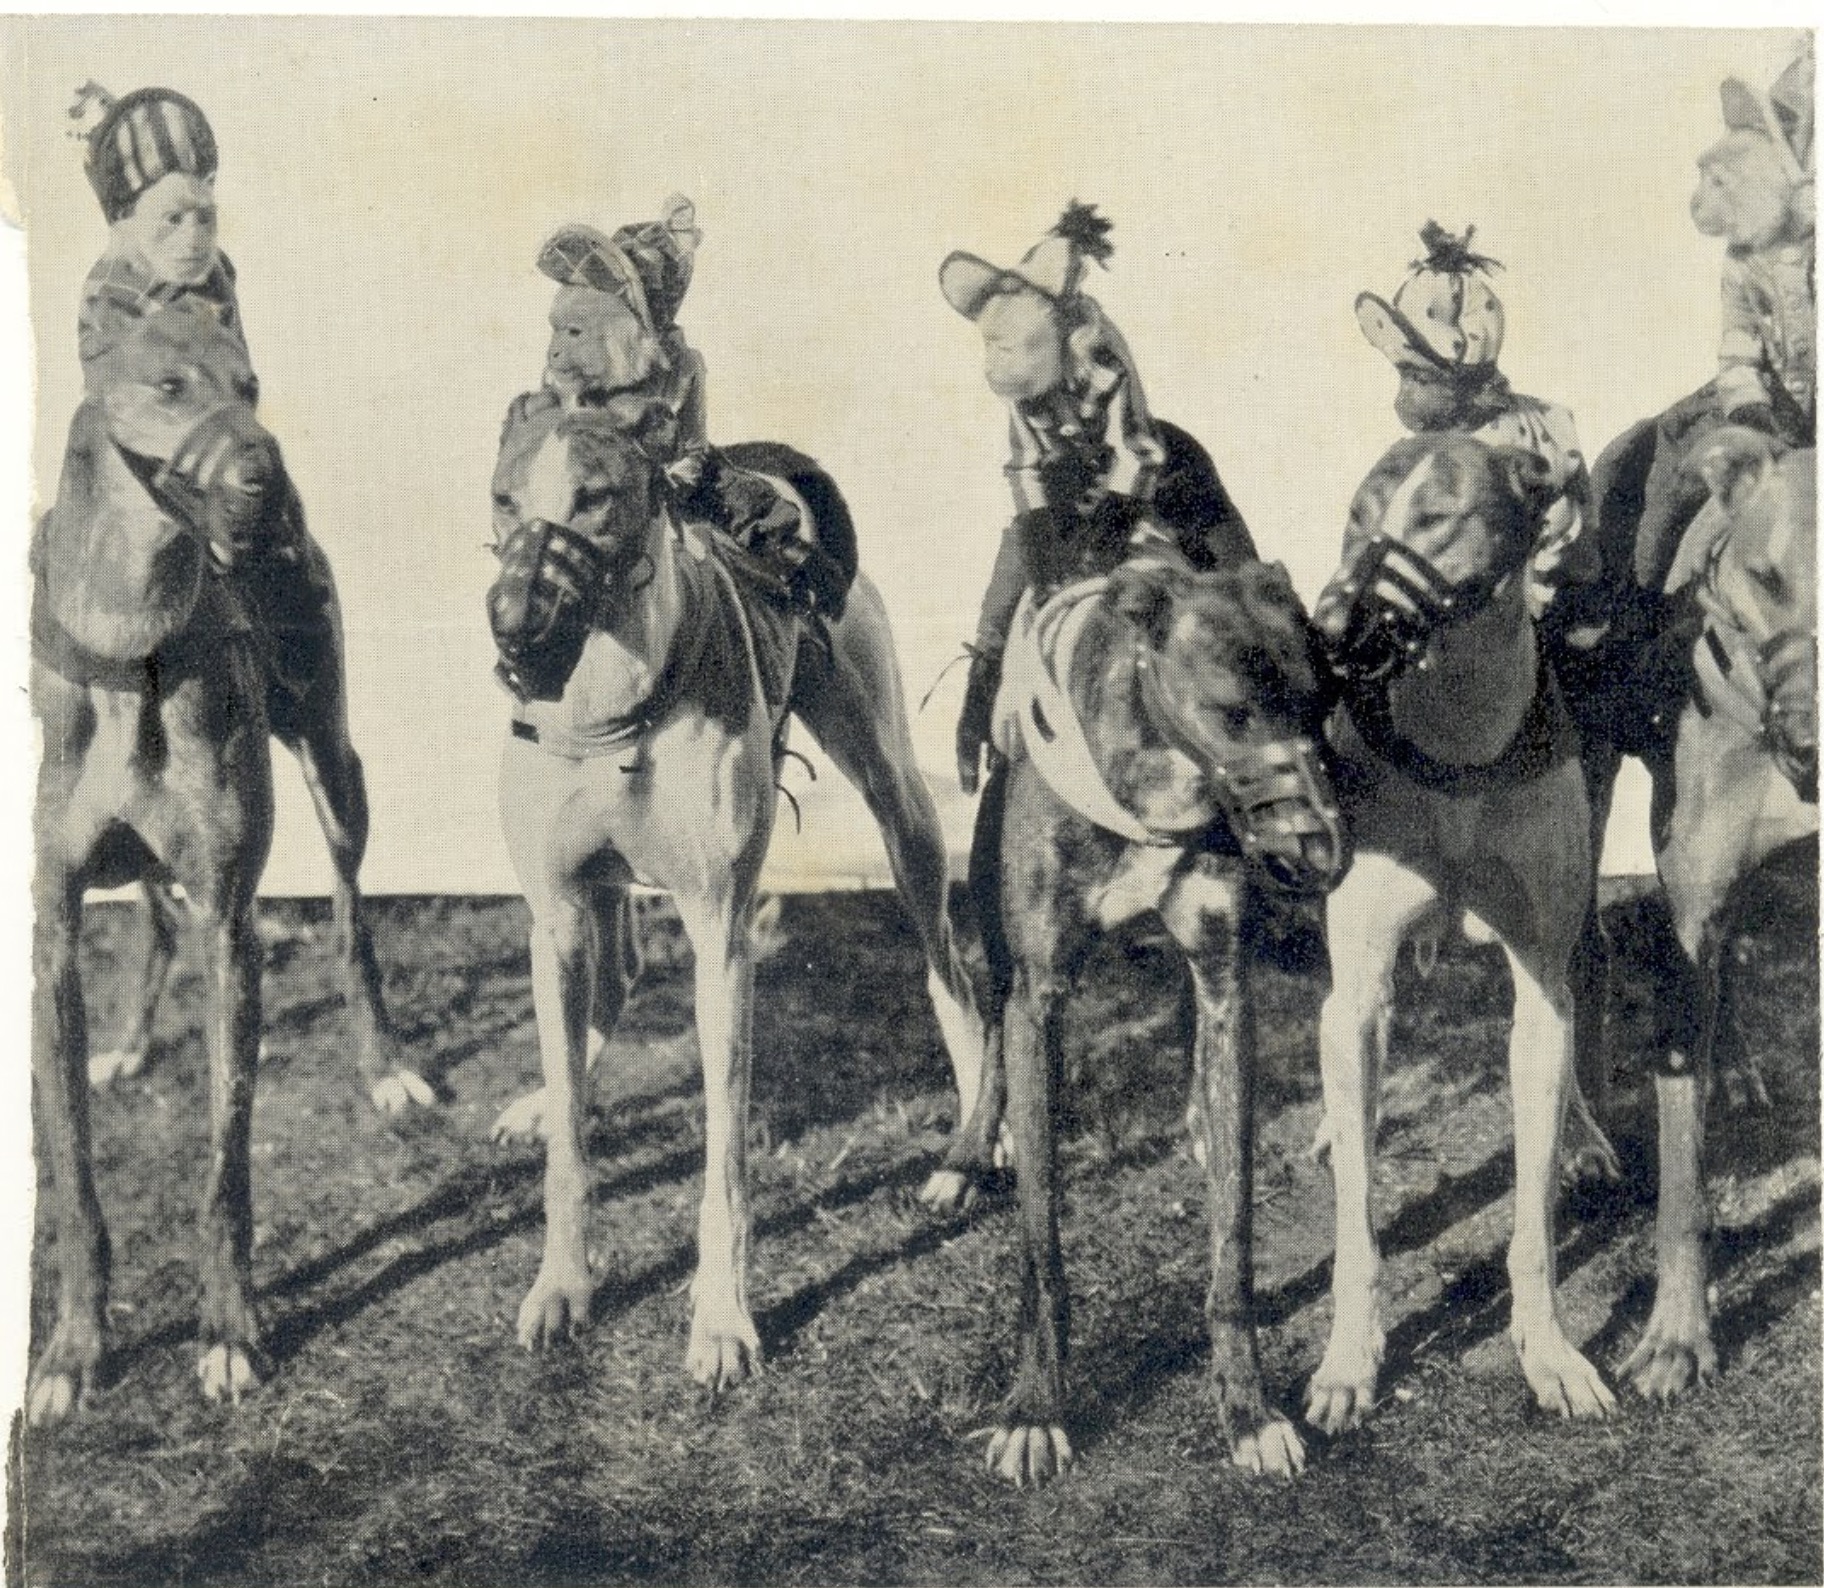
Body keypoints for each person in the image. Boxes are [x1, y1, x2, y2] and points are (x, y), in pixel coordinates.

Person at [941, 202, 1254, 795]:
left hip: (1165, 481)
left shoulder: (1100, 350)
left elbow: (1135, 452)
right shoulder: (1018, 368)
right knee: (999, 618)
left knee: (1246, 601)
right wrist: (1048, 581)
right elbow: (1027, 469)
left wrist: (1092, 559)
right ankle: (983, 733)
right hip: (1066, 486)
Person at [66, 81, 335, 706]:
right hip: (147, 453)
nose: (193, 236)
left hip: (212, 433)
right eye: (172, 220)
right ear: (130, 224)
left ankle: (294, 645)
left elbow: (238, 368)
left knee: (278, 512)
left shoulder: (216, 277)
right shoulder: (111, 290)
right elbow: (113, 398)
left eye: (203, 218)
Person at [527, 197, 854, 622]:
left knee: (742, 498)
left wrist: (677, 474)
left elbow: (693, 445)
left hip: (671, 475)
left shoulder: (684, 365)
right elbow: (550, 437)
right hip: (597, 481)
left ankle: (802, 580)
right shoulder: (571, 374)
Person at [1335, 221, 1605, 665]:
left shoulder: (1538, 435)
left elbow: (1567, 542)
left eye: (1422, 377)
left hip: (1534, 622)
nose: (1408, 393)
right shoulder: (1420, 456)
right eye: (1405, 375)